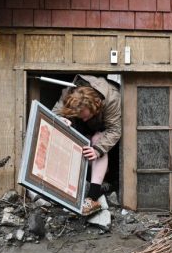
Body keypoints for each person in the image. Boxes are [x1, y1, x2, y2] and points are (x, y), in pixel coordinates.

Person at [52, 75, 121, 215]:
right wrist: (61, 119)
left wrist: (97, 150)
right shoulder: (69, 93)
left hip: (102, 128)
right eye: (79, 115)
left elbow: (114, 129)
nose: (82, 118)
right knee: (68, 133)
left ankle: (93, 198)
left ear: (93, 105)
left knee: (98, 139)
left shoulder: (112, 98)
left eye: (84, 115)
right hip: (81, 129)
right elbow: (54, 113)